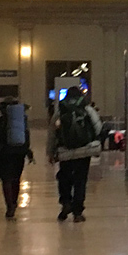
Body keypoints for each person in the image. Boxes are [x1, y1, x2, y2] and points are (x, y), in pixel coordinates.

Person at [49, 89, 103, 223]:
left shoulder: (60, 111)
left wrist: (50, 152)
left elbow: (52, 134)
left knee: (64, 177)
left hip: (65, 151)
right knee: (80, 180)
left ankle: (66, 203)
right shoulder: (87, 109)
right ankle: (78, 212)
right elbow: (98, 128)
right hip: (84, 151)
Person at [0, 97, 35, 219]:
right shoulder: (22, 120)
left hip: (4, 153)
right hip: (20, 153)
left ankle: (10, 206)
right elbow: (26, 137)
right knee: (16, 179)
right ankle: (14, 202)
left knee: (6, 180)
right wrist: (27, 151)